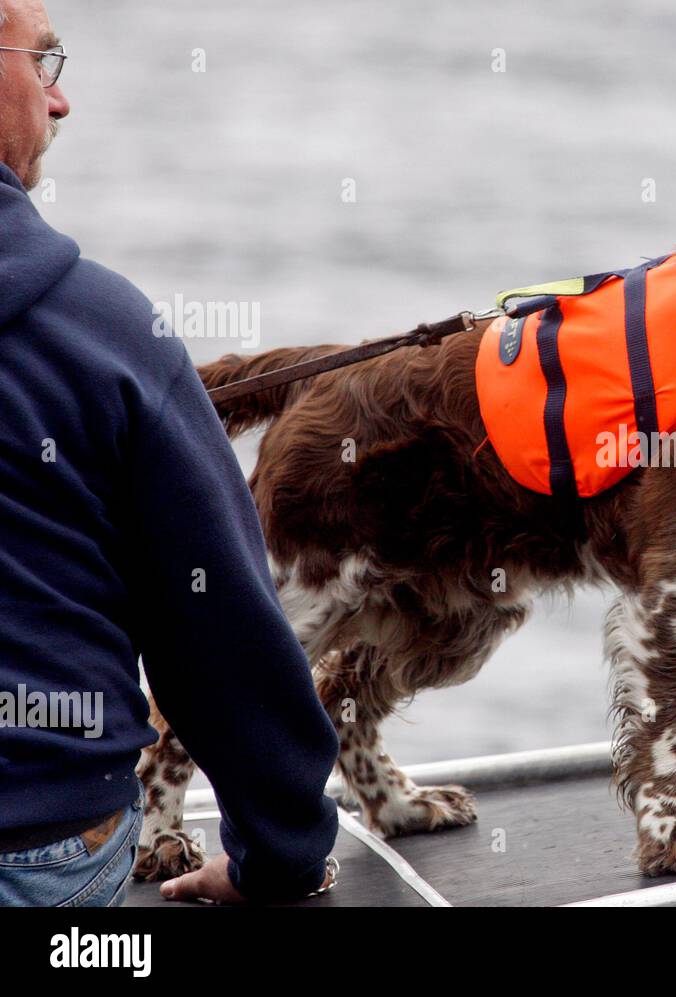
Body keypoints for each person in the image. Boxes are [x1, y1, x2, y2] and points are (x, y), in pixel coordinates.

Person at [0, 0, 339, 906]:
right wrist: (281, 855)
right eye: (44, 63)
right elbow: (222, 634)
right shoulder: (105, 333)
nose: (60, 102)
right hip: (36, 843)